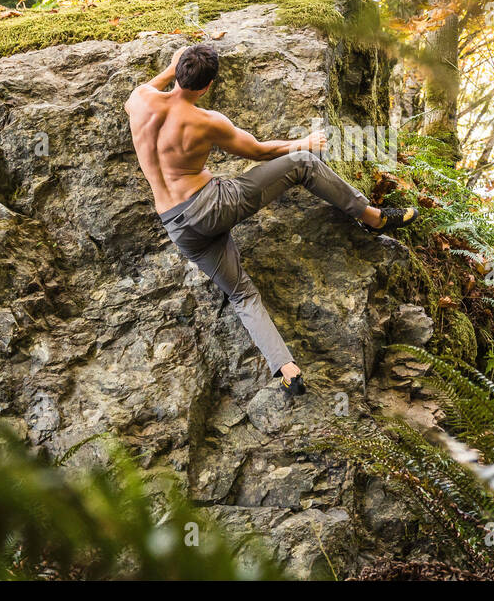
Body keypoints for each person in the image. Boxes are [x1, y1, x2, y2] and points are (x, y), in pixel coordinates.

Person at [126, 43, 417, 396]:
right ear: (207, 86)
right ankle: (372, 218)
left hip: (177, 225)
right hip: (213, 204)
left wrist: (173, 68)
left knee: (241, 294)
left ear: (178, 71)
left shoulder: (140, 100)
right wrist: (304, 142)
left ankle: (287, 369)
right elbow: (260, 151)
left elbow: (147, 91)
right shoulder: (206, 122)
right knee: (303, 164)